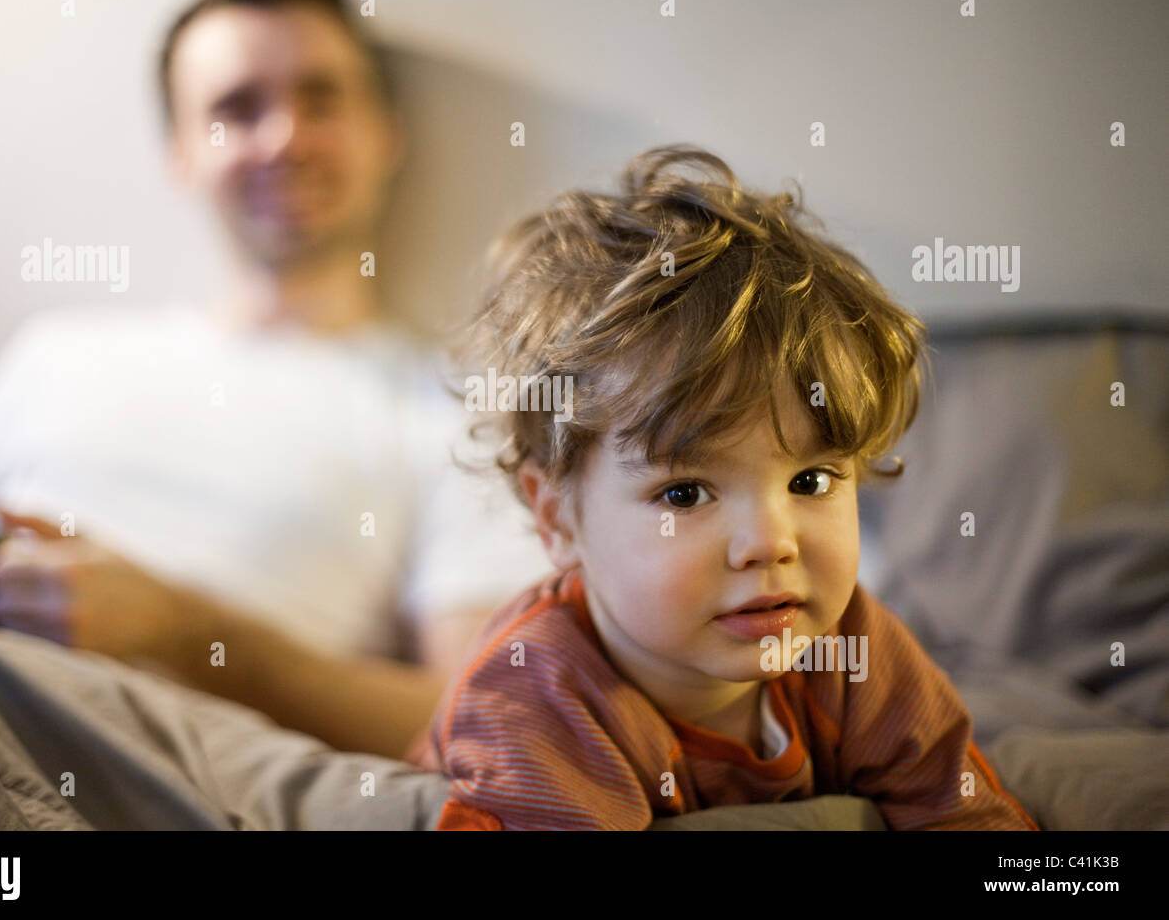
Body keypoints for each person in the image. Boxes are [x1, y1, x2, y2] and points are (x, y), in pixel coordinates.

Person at [0, 0, 548, 760]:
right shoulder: (54, 353)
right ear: (180, 153)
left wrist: (185, 630)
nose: (285, 136)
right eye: (236, 108)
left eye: (321, 98)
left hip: (160, 773)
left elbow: (483, 724)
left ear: (385, 133)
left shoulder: (457, 408)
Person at [406, 144, 1040, 829]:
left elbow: (967, 816)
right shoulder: (538, 696)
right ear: (558, 519)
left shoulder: (853, 651)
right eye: (685, 494)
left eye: (810, 478)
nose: (770, 542)